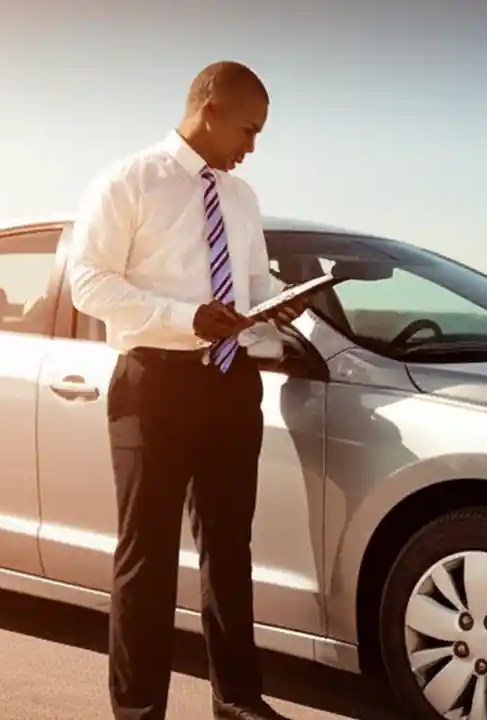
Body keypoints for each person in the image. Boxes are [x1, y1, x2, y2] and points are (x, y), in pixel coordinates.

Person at [67, 61, 305, 720]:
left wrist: (278, 305)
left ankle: (238, 700)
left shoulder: (242, 198)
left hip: (232, 387)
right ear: (210, 110)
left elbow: (252, 283)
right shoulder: (128, 181)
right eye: (248, 129)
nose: (252, 146)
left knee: (230, 551)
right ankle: (139, 712)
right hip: (154, 385)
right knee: (147, 557)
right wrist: (186, 318)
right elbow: (87, 283)